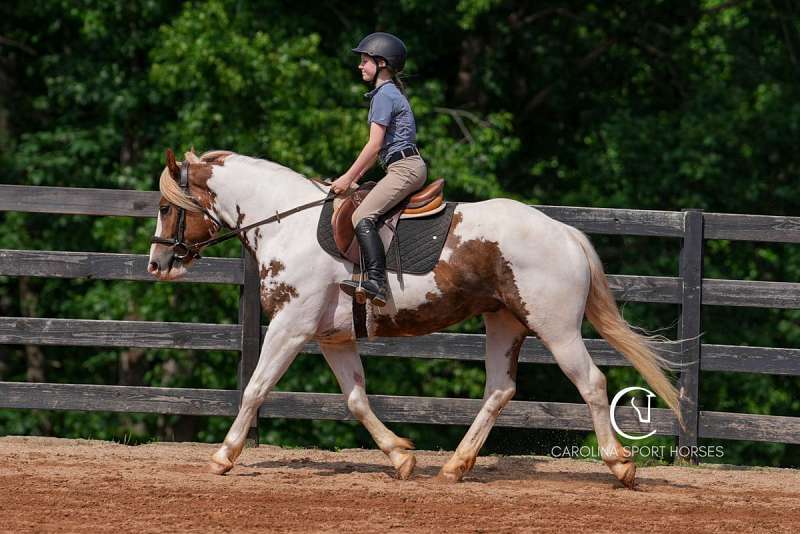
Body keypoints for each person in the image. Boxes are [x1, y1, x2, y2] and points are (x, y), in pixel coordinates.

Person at [330, 32, 427, 307]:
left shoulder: (384, 95)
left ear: (381, 62)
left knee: (362, 215)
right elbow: (376, 152)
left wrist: (347, 177)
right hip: (401, 165)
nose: (360, 66)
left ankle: (376, 282)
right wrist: (354, 180)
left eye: (365, 60)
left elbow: (373, 147)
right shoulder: (387, 93)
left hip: (404, 168)